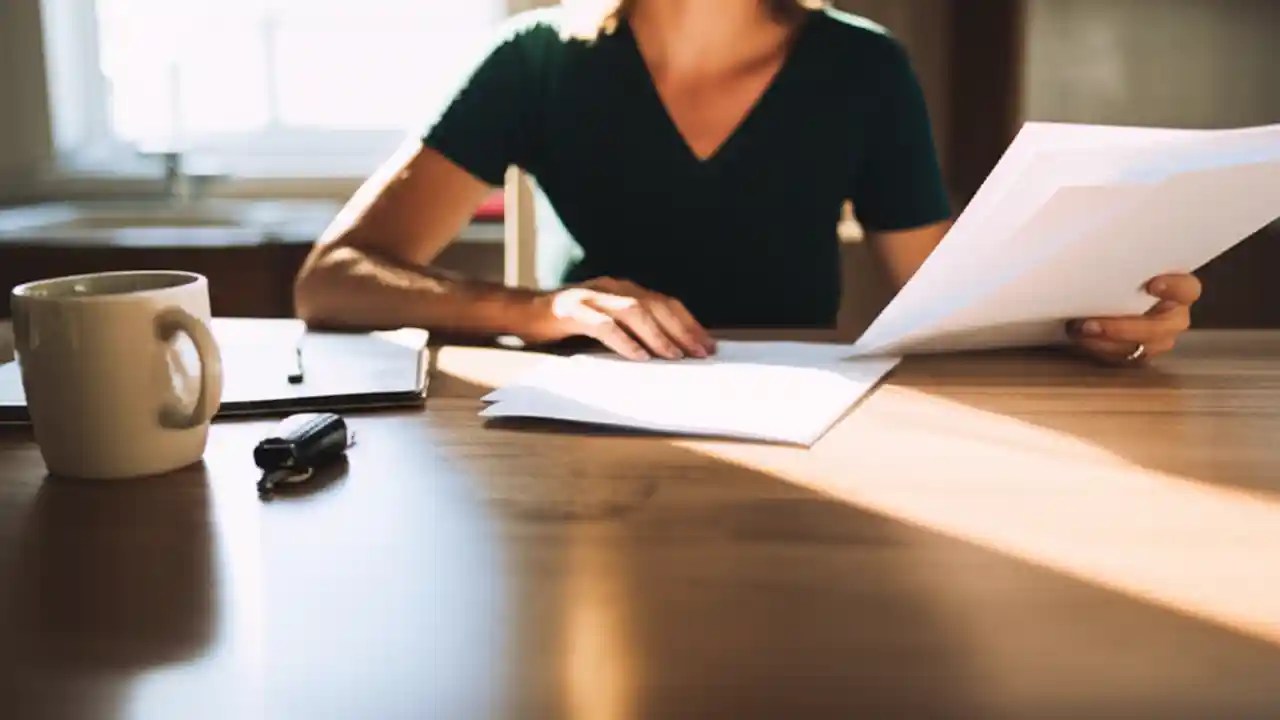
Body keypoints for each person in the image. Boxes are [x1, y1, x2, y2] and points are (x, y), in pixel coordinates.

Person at [294, 0, 1200, 364]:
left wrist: (1105, 317)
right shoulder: (535, 61)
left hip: (800, 430)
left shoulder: (863, 68)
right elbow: (333, 278)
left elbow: (946, 298)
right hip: (576, 433)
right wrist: (542, 310)